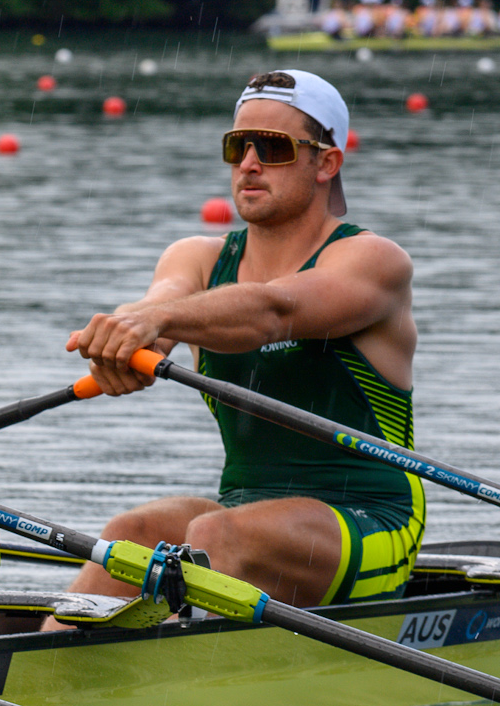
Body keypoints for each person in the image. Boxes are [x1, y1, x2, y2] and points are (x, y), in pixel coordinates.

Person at [53, 69, 420, 620]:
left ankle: (170, 674)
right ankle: (45, 666)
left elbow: (273, 312)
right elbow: (160, 303)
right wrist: (119, 340)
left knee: (214, 534)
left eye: (271, 147)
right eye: (237, 145)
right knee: (128, 538)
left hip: (370, 518)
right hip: (243, 512)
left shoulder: (372, 262)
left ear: (326, 163)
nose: (247, 163)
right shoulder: (197, 258)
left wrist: (152, 322)